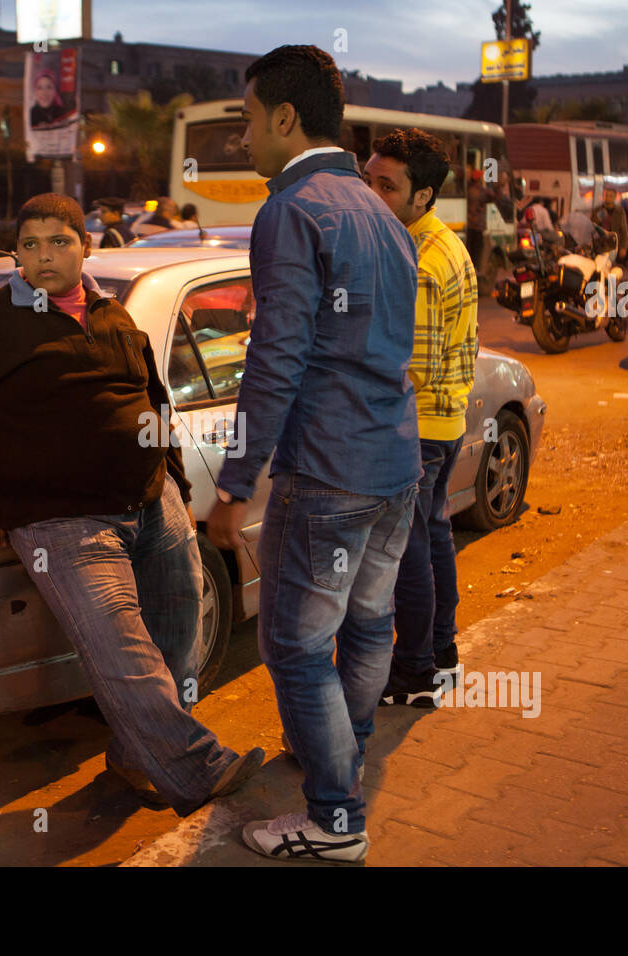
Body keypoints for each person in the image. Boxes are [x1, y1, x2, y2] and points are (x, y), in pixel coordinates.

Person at [0, 193, 264, 814]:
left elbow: (153, 399)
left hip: (153, 502)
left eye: (59, 241)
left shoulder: (113, 316)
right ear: (15, 252)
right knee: (123, 652)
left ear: (85, 246)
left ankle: (133, 759)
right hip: (60, 522)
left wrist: (172, 475)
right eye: (31, 243)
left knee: (177, 638)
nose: (45, 255)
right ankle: (197, 769)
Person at [205, 45, 419, 864]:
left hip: (328, 475)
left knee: (295, 645)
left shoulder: (292, 211)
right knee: (366, 626)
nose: (246, 138)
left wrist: (233, 484)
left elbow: (276, 359)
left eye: (250, 120)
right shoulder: (379, 212)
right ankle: (344, 757)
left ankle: (335, 818)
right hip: (393, 467)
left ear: (286, 118)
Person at [362, 128, 478, 710]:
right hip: (443, 425)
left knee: (407, 554)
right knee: (433, 542)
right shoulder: (435, 242)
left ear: (423, 196)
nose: (372, 194)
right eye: (368, 180)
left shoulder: (422, 261)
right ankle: (441, 657)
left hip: (420, 430)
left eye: (387, 185)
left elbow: (412, 369)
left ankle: (412, 673)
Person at [592, 187, 628, 263]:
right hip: (600, 245)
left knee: (611, 266)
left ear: (615, 197)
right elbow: (592, 226)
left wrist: (623, 247)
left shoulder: (619, 212)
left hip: (613, 244)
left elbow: (624, 231)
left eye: (611, 196)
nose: (608, 198)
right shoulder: (598, 210)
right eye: (606, 196)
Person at [465, 168, 490, 267]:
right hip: (477, 225)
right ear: (478, 179)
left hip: (470, 224)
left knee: (470, 249)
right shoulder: (480, 191)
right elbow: (493, 196)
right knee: (477, 251)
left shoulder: (468, 189)